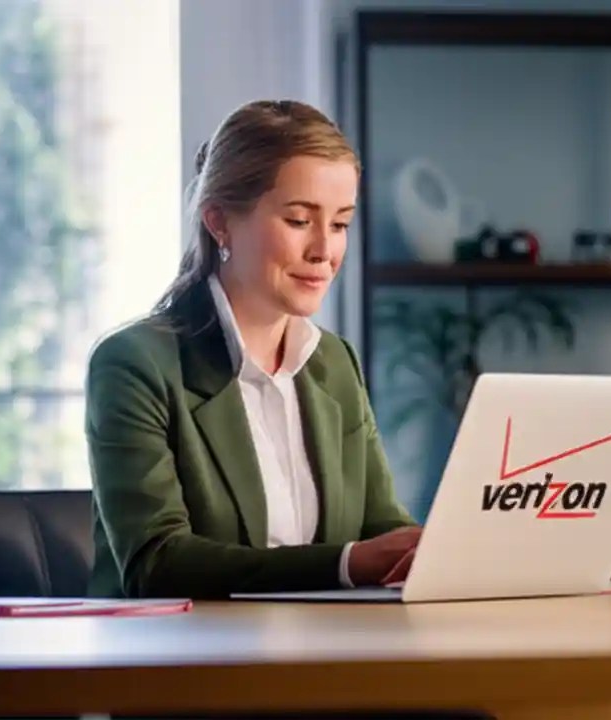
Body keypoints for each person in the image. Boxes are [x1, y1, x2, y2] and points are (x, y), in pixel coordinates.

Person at [85, 99, 422, 600]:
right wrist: (346, 564)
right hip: (182, 648)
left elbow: (381, 528)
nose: (324, 251)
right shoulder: (135, 364)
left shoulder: (335, 363)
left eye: (339, 224)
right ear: (219, 221)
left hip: (326, 645)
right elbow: (156, 563)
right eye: (299, 220)